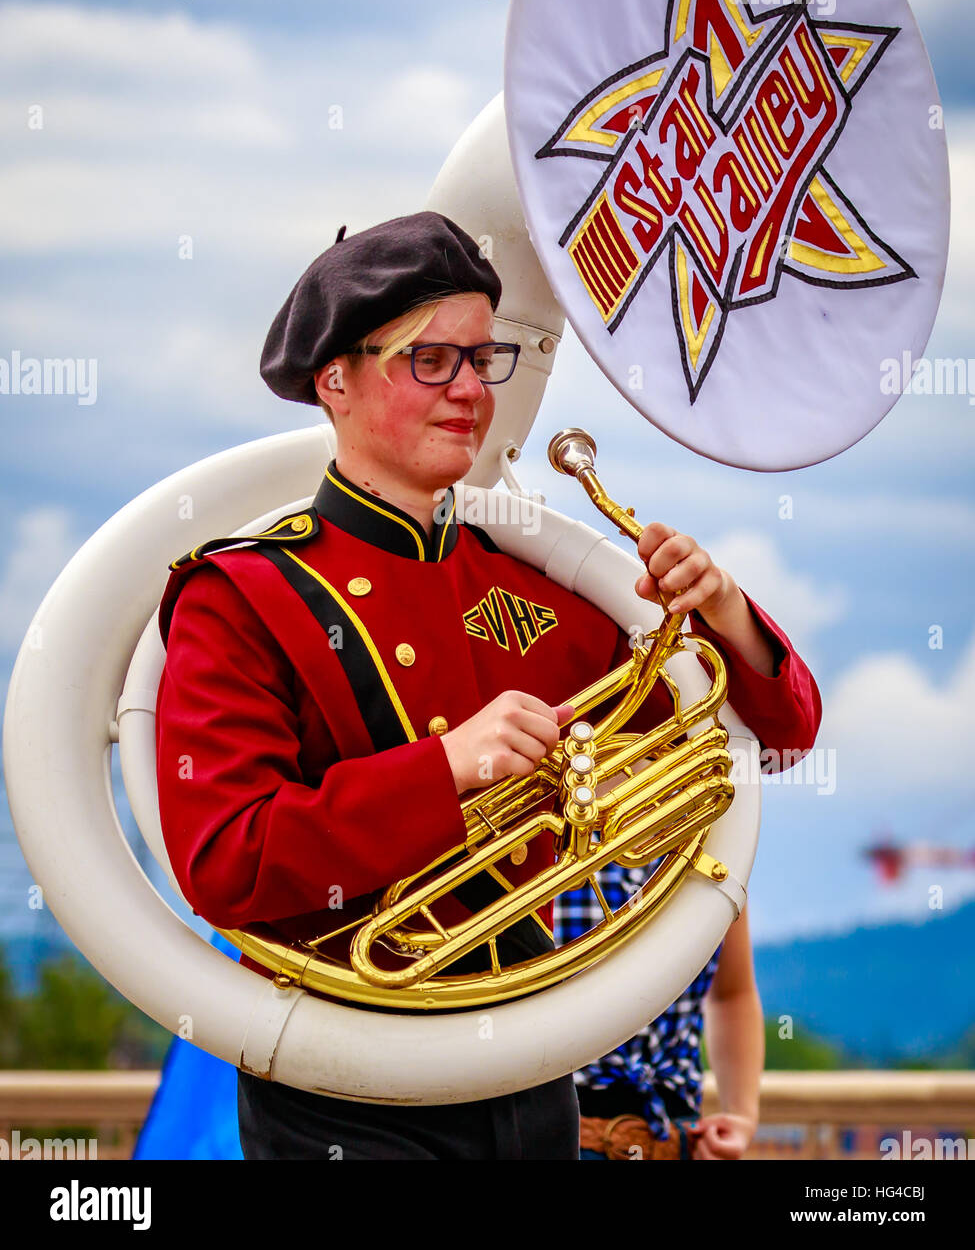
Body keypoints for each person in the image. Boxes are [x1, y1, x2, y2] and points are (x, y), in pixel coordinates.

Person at [155, 210, 821, 1160]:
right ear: (335, 379)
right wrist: (442, 769)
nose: (471, 390)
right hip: (346, 1093)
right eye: (432, 360)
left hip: (529, 1073)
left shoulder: (531, 583)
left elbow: (776, 738)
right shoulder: (246, 596)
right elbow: (224, 862)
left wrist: (723, 615)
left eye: (483, 359)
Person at [555, 874, 762, 1160]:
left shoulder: (718, 840)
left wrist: (741, 1115)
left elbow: (731, 994)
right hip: (552, 1135)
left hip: (681, 1140)